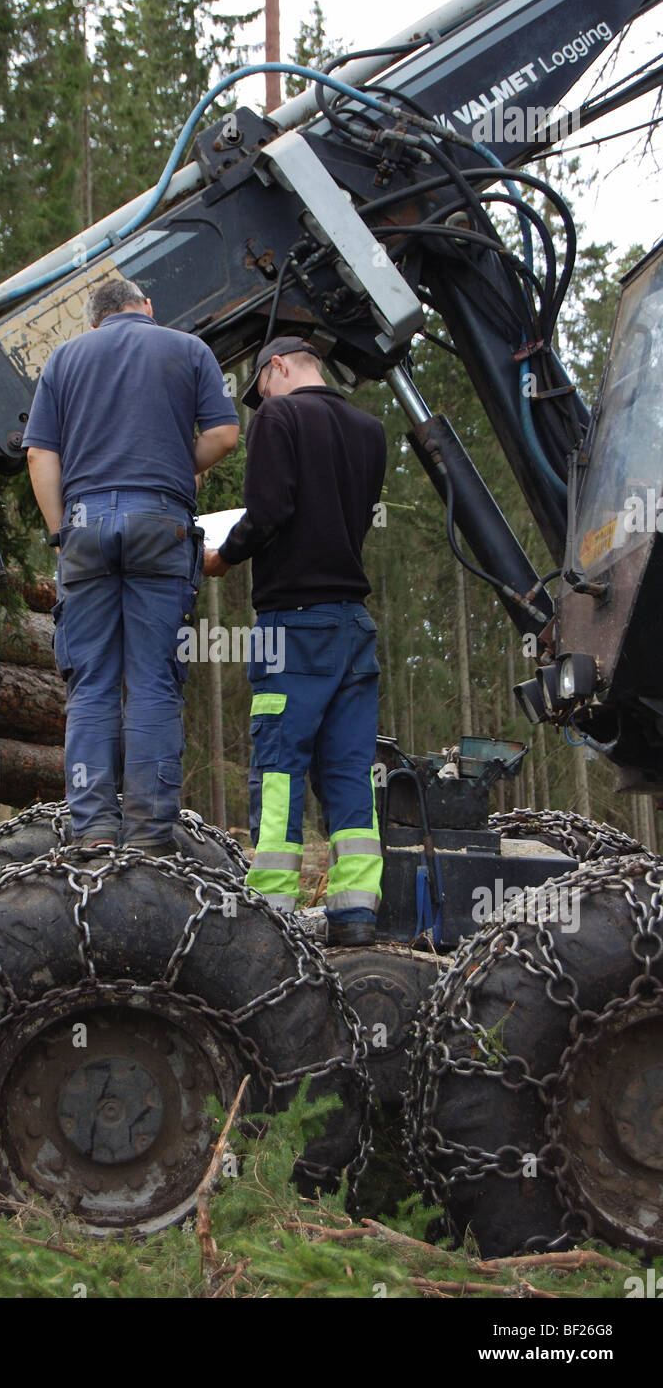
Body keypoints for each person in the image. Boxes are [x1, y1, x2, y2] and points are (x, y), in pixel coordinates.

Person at [24, 276, 240, 854]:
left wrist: (58, 532)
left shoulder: (64, 359)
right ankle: (148, 832)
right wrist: (176, 465)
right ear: (146, 306)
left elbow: (40, 452)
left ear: (96, 319)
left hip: (85, 524)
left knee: (91, 685)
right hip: (160, 523)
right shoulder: (189, 349)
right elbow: (224, 435)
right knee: (152, 682)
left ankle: (93, 828)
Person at [203, 336, 386, 945]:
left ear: (276, 367)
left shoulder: (281, 416)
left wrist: (223, 556)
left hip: (292, 627)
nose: (262, 405)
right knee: (351, 770)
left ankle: (273, 916)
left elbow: (269, 511)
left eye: (259, 391)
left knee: (279, 767)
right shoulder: (369, 429)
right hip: (353, 628)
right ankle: (357, 914)